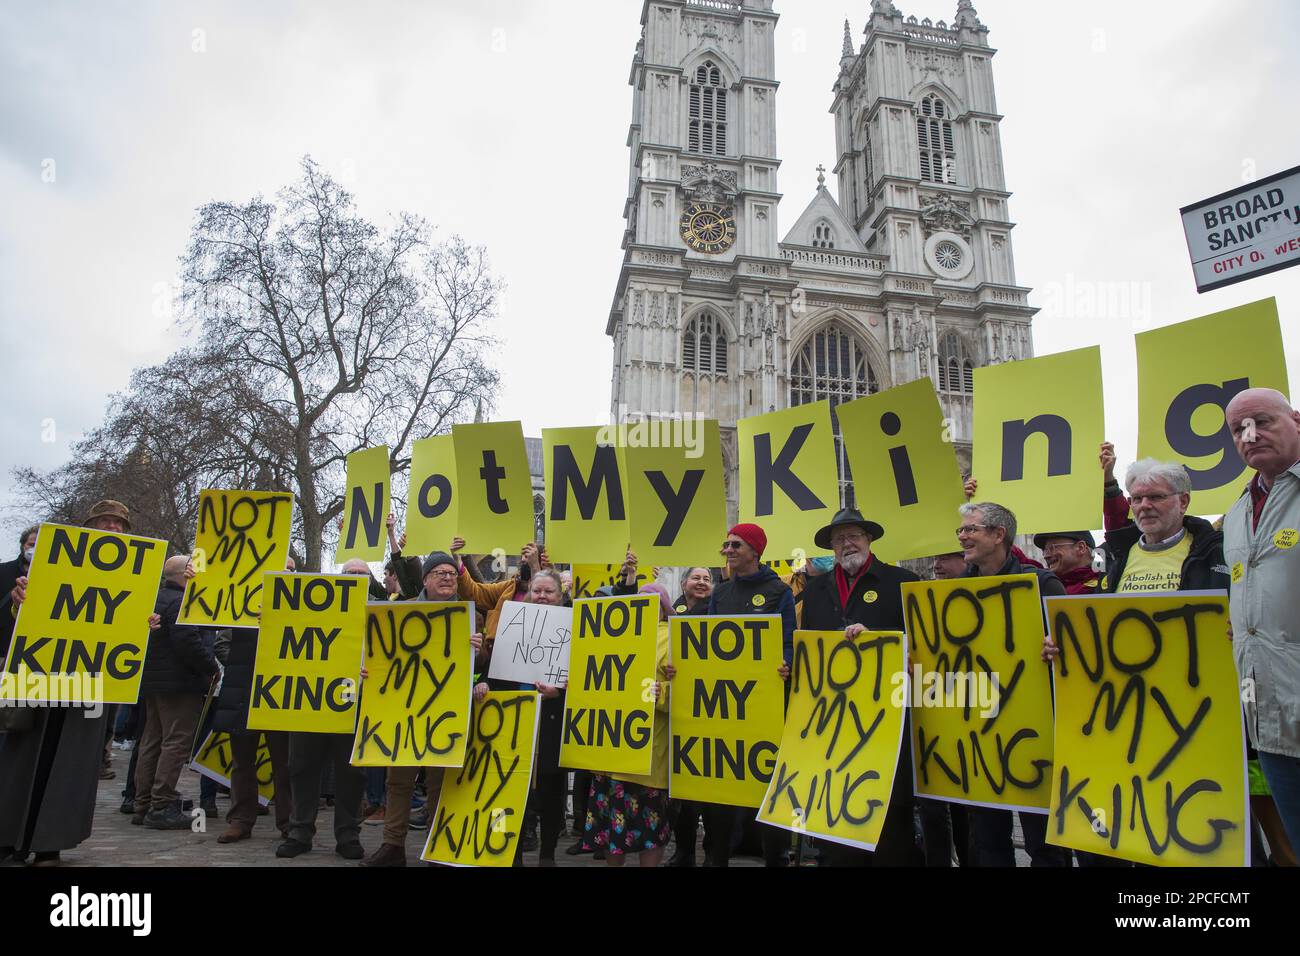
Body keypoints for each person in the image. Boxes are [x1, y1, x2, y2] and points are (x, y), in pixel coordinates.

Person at [0, 500, 139, 866]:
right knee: (24, 755)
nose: (111, 529)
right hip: (40, 677)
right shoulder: (51, 565)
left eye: (118, 524)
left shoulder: (135, 576)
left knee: (70, 764)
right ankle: (9, 838)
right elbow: (20, 620)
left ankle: (50, 843)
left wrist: (147, 623)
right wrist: (20, 604)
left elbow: (129, 629)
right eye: (104, 522)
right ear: (87, 528)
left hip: (91, 683)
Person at [798, 508, 923, 867]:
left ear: (868, 540)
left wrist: (879, 644)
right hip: (834, 726)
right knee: (837, 824)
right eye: (839, 539)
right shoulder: (817, 589)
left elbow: (921, 644)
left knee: (890, 823)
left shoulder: (902, 581)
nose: (846, 544)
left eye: (853, 536)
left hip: (886, 722)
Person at [957, 500, 1070, 867]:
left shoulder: (1041, 584)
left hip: (1033, 730)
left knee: (1045, 842)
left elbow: (1073, 646)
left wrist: (1058, 647)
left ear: (998, 534)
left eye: (970, 529)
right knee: (987, 840)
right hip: (980, 731)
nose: (962, 536)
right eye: (961, 530)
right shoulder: (955, 591)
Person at [360, 551, 485, 867]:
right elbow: (379, 655)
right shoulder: (400, 612)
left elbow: (482, 668)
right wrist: (368, 670)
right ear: (426, 578)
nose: (446, 577)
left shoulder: (472, 616)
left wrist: (478, 650)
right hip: (406, 712)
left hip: (447, 713)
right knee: (398, 781)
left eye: (450, 573)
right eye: (439, 572)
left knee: (440, 784)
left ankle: (436, 847)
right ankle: (392, 846)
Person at [1222, 387, 1300, 852]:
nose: (1250, 436)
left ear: (1296, 420)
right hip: (1267, 715)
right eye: (1238, 430)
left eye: (1262, 422)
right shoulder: (1236, 512)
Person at [702, 524, 795, 867]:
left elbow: (789, 640)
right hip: (725, 705)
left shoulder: (777, 591)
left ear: (755, 551)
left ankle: (776, 857)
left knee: (768, 784)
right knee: (722, 786)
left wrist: (786, 662)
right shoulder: (720, 594)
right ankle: (717, 856)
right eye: (725, 544)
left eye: (735, 545)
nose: (727, 550)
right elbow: (707, 644)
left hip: (764, 705)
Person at [277, 558, 378, 861]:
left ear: (371, 580)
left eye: (362, 574)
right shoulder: (314, 604)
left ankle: (348, 835)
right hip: (312, 701)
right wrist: (280, 587)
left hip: (355, 703)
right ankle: (299, 832)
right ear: (339, 576)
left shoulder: (380, 612)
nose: (356, 578)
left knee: (352, 773)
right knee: (302, 767)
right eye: (350, 573)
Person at [583, 552, 674, 868]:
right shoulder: (614, 634)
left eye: (654, 603)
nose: (647, 608)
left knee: (651, 828)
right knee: (612, 827)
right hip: (610, 751)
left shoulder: (673, 639)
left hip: (649, 756)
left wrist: (662, 694)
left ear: (664, 610)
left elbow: (688, 695)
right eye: (641, 602)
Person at [132, 556, 220, 829]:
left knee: (152, 740)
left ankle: (143, 802)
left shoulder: (153, 599)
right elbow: (187, 640)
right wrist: (210, 667)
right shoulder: (183, 602)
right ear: (185, 573)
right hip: (180, 684)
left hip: (154, 683)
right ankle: (162, 804)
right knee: (176, 742)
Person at [212, 556, 295, 845]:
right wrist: (245, 666)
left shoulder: (299, 610)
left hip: (280, 695)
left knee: (284, 762)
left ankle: (288, 822)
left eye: (290, 570)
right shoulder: (242, 606)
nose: (285, 573)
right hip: (244, 692)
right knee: (242, 761)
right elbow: (221, 643)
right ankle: (241, 819)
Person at [665, 567, 715, 867]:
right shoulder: (672, 612)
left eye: (707, 579)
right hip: (680, 711)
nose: (701, 582)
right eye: (696, 578)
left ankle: (710, 850)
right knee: (681, 794)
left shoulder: (717, 611)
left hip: (709, 709)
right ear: (683, 584)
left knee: (708, 792)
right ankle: (683, 851)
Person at [0, 525, 36, 664]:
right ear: (23, 546)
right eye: (32, 544)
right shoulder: (3, 570)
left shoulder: (57, 576)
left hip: (30, 654)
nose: (35, 548)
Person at [1031, 531, 1102, 595]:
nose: (1046, 555)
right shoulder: (1044, 584)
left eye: (1053, 547)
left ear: (1081, 547)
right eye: (1045, 549)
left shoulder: (1106, 586)